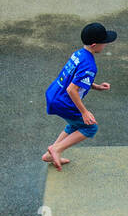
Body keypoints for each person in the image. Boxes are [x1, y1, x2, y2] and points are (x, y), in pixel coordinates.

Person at [42, 22, 116, 170]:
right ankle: (56, 149)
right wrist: (84, 111)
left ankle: (50, 155)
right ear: (95, 45)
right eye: (104, 43)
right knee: (90, 128)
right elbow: (72, 89)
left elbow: (76, 79)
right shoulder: (90, 65)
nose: (105, 45)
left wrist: (96, 86)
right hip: (64, 100)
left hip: (55, 94)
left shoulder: (79, 54)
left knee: (76, 124)